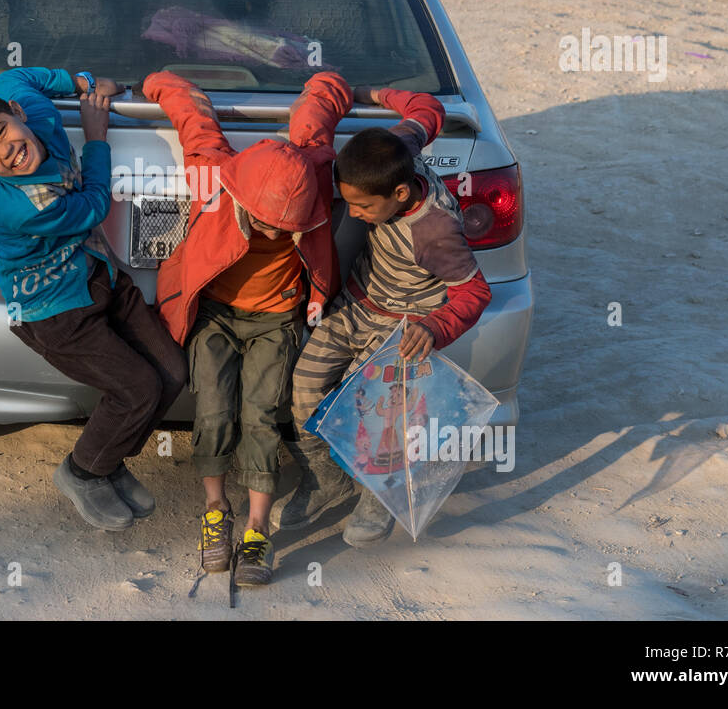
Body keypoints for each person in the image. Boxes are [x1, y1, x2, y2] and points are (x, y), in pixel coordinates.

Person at [0, 68, 187, 532]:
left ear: (16, 114)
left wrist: (83, 83)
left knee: (172, 371)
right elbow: (95, 204)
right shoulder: (25, 205)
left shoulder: (34, 111)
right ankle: (82, 471)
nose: (7, 152)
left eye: (2, 132)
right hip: (52, 311)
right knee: (137, 388)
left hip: (96, 273)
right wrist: (96, 136)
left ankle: (107, 460)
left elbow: (15, 77)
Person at [143, 69, 353, 586]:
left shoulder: (312, 175)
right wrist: (158, 82)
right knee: (212, 410)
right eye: (265, 223)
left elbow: (316, 120)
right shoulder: (213, 173)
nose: (275, 232)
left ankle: (257, 531)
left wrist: (333, 83)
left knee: (262, 416)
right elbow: (194, 119)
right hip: (215, 313)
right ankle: (216, 511)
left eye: (288, 228)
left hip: (276, 317)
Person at [274, 87, 492, 546]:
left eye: (362, 207)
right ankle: (324, 480)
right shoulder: (398, 150)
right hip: (354, 307)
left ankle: (381, 493)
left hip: (401, 329)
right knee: (304, 391)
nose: (353, 214)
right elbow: (426, 110)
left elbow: (475, 292)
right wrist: (369, 93)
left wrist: (432, 327)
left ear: (399, 191)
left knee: (379, 416)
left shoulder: (434, 232)